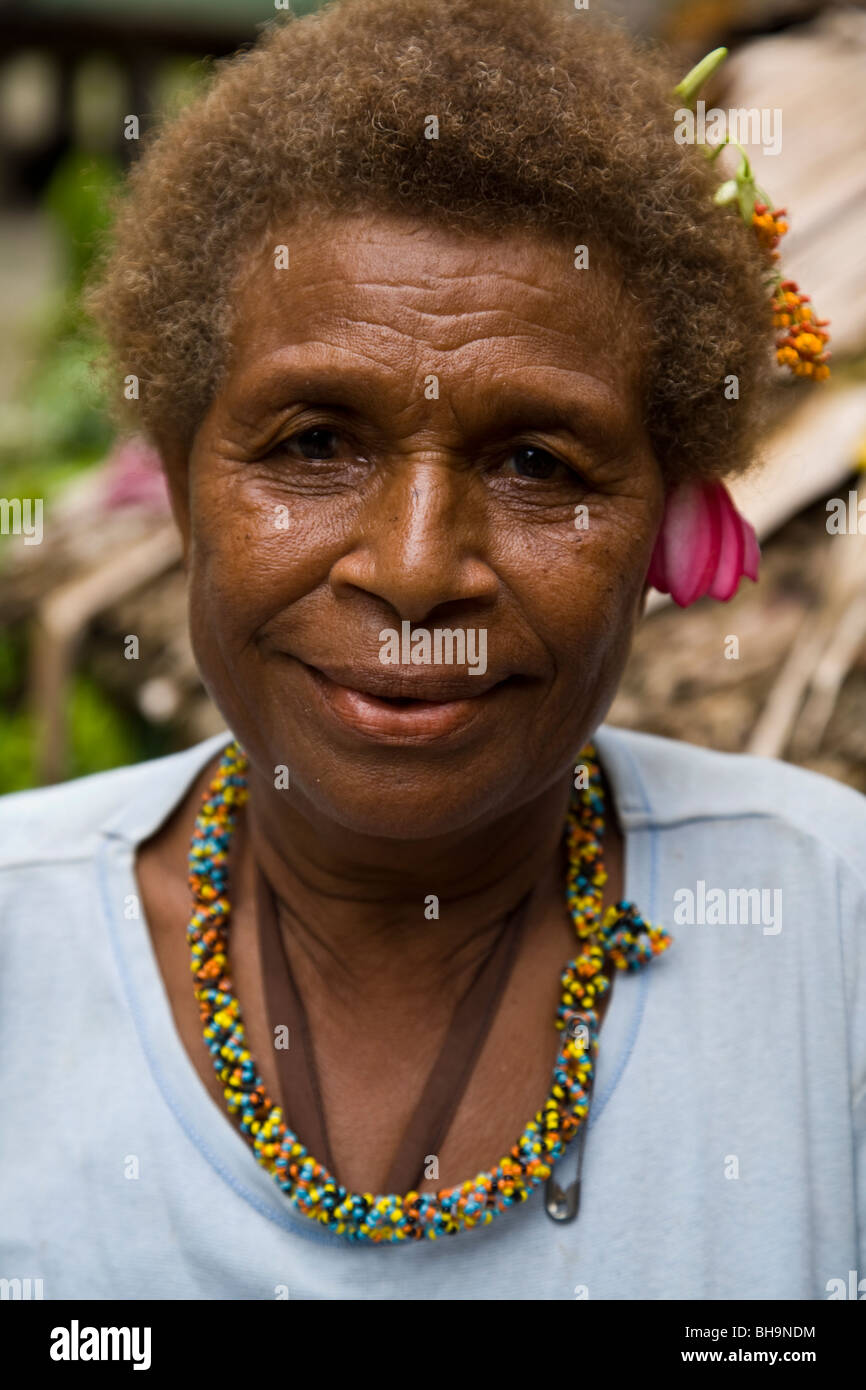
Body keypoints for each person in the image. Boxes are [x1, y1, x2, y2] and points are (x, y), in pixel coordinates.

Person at [0, 0, 862, 1300]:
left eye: (533, 463)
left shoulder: (830, 941)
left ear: (661, 522)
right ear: (179, 489)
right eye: (312, 445)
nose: (411, 568)